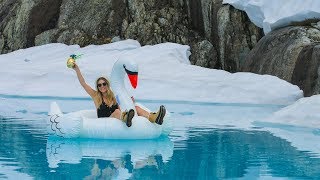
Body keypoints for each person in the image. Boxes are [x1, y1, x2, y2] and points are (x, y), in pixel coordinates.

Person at [72, 62, 166, 127]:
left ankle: (153, 117)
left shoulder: (114, 96)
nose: (102, 86)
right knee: (117, 111)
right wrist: (77, 69)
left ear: (107, 85)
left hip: (116, 119)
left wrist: (130, 103)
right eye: (99, 85)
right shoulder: (96, 96)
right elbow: (83, 83)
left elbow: (121, 106)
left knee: (136, 108)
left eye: (104, 84)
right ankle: (126, 119)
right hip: (104, 122)